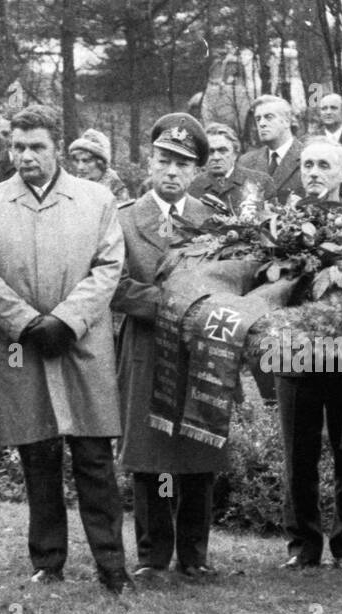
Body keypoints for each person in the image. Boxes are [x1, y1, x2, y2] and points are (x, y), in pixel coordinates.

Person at [0, 104, 132, 593]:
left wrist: (68, 319)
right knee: (36, 454)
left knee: (94, 456)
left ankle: (112, 565)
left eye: (37, 146)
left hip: (82, 344)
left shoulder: (95, 199)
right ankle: (48, 560)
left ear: (57, 146)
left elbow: (108, 267)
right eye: (17, 147)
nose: (26, 157)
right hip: (23, 347)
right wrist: (25, 321)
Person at [113, 114, 222, 584]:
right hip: (145, 348)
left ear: (197, 171)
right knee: (151, 451)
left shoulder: (214, 220)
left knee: (199, 446)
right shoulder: (123, 219)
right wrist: (172, 304)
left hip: (201, 352)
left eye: (183, 163)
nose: (172, 171)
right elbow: (113, 287)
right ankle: (153, 554)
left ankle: (195, 554)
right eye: (164, 160)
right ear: (149, 163)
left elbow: (230, 282)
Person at [276, 140, 342, 572]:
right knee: (299, 451)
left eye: (323, 165)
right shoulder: (281, 222)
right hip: (294, 349)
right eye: (307, 164)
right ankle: (303, 545)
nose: (313, 171)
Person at [189, 123, 273, 213]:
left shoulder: (261, 181)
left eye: (222, 151)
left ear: (235, 154)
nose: (216, 157)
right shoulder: (192, 186)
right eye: (210, 152)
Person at [239, 95, 304, 203]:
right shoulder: (246, 161)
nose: (262, 124)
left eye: (268, 117)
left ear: (287, 121)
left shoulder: (307, 157)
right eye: (258, 119)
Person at [65, 130, 129, 202]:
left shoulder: (115, 186)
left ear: (100, 162)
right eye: (77, 161)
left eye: (86, 161)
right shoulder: (76, 184)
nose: (80, 167)